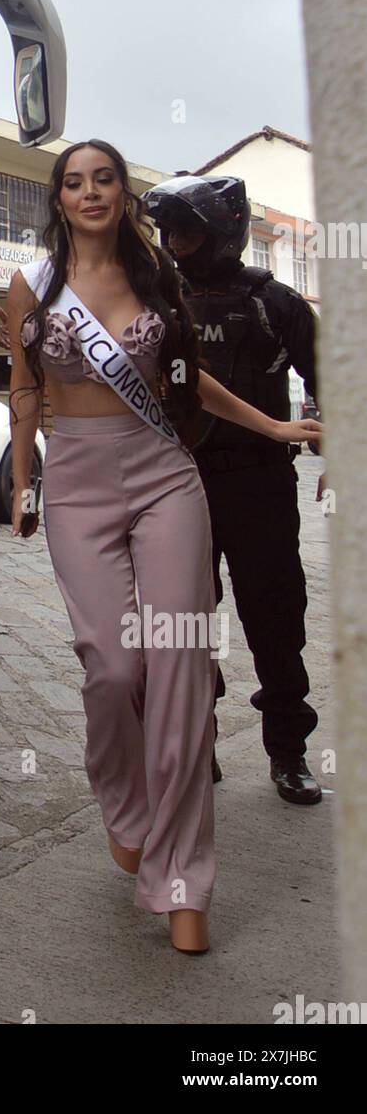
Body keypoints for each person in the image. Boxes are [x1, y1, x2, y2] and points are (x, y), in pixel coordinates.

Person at [6, 141, 321, 954]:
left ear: (121, 194)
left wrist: (274, 423)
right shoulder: (30, 287)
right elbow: (25, 384)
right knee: (114, 667)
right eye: (73, 181)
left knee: (180, 665)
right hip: (76, 482)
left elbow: (191, 381)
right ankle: (125, 805)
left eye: (103, 178)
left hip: (164, 479)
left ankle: (182, 876)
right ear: (58, 197)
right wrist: (18, 475)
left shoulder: (158, 284)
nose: (89, 192)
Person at [145, 174, 323, 805]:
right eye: (167, 233)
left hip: (260, 482)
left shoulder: (277, 304)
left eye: (187, 231)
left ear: (223, 232)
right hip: (177, 481)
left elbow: (328, 376)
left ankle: (289, 751)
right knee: (187, 619)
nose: (174, 243)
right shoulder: (155, 302)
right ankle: (198, 739)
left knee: (275, 617)